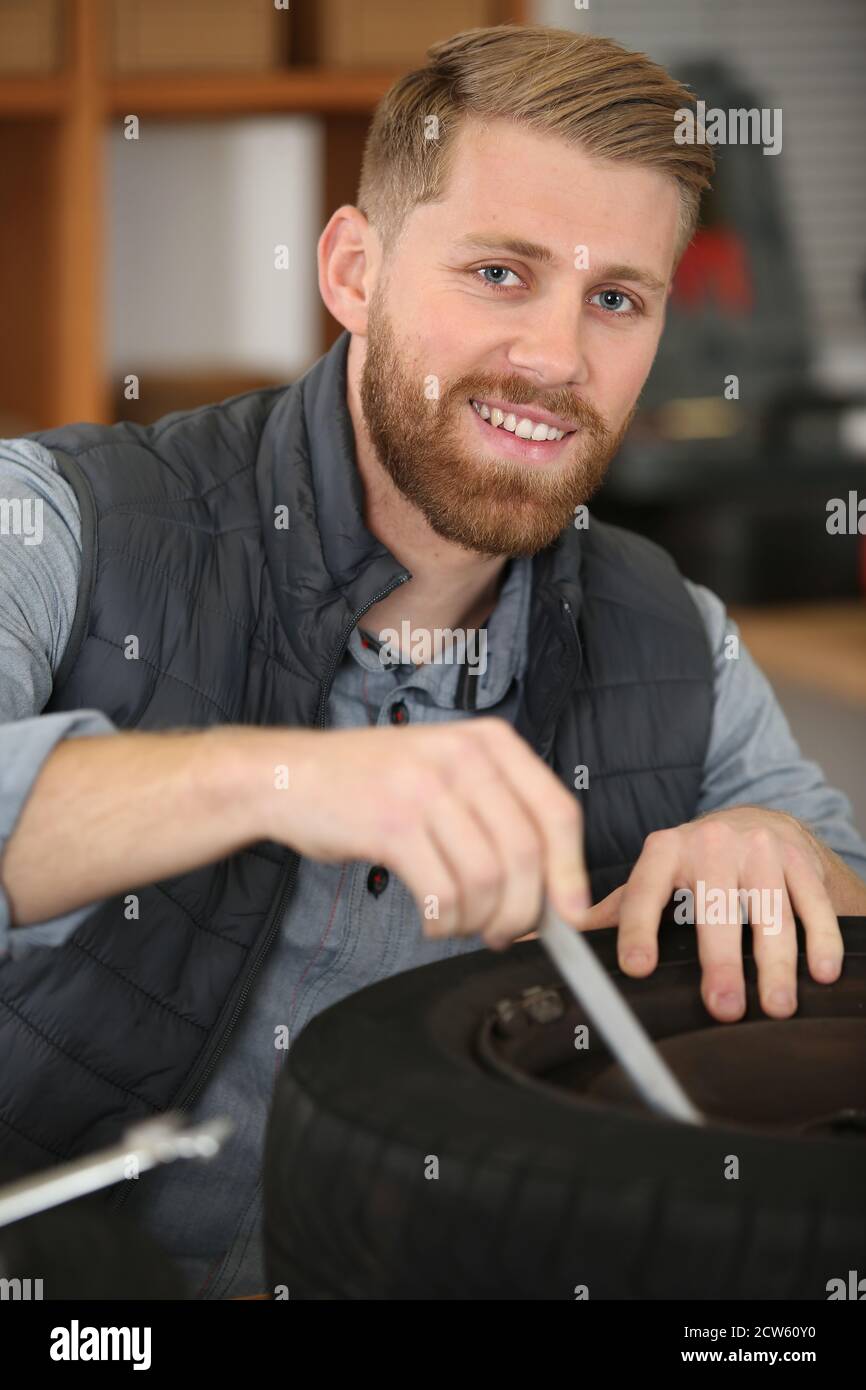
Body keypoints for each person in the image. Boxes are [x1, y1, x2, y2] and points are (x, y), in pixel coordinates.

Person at [1, 24, 864, 1299]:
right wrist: (296, 781)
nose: (557, 359)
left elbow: (839, 930)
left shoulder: (672, 633)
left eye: (614, 298)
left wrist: (781, 862)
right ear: (351, 269)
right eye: (500, 274)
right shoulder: (59, 518)